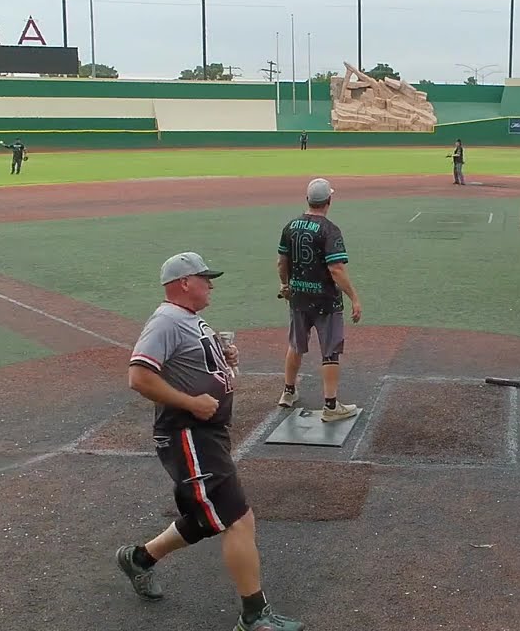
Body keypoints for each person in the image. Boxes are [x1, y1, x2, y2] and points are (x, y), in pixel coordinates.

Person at [115, 251, 304, 631]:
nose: (211, 284)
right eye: (205, 278)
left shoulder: (187, 318)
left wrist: (222, 355)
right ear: (184, 283)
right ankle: (254, 616)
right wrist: (191, 402)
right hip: (188, 434)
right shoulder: (165, 320)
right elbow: (138, 377)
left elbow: (191, 361)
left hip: (207, 434)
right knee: (237, 518)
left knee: (207, 517)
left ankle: (139, 559)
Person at [276, 178, 362, 420]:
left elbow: (282, 262)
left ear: (308, 200)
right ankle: (331, 406)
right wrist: (354, 297)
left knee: (295, 345)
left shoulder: (290, 226)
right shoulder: (329, 230)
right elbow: (336, 269)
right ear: (329, 201)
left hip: (298, 297)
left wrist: (285, 285)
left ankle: (288, 392)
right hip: (325, 300)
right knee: (330, 351)